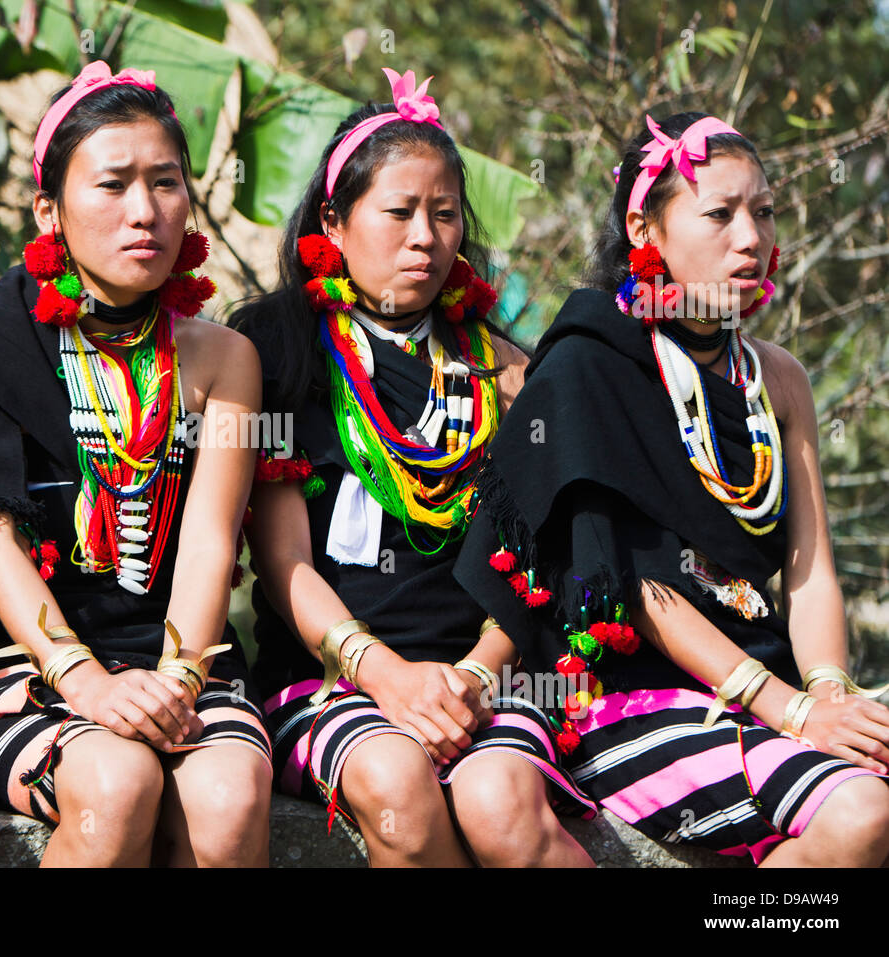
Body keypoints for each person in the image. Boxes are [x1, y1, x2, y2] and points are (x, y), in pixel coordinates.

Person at [0, 62, 272, 867]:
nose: (144, 211)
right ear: (48, 210)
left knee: (229, 795)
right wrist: (87, 685)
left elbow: (212, 542)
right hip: (28, 676)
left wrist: (178, 682)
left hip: (185, 663)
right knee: (115, 782)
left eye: (166, 182)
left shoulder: (225, 358)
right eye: (111, 185)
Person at [455, 112, 889, 865]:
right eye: (719, 214)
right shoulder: (589, 363)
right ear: (642, 226)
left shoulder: (776, 378)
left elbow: (810, 571)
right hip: (629, 700)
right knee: (861, 813)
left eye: (763, 210)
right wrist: (788, 708)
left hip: (767, 692)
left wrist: (829, 691)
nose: (750, 238)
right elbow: (630, 590)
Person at [232, 68, 596, 867]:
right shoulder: (279, 347)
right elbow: (283, 558)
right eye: (398, 213)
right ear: (335, 216)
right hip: (330, 678)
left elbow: (536, 563)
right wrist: (387, 676)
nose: (425, 239)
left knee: (505, 802)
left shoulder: (505, 370)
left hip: (486, 680)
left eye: (444, 215)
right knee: (396, 784)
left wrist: (473, 674)